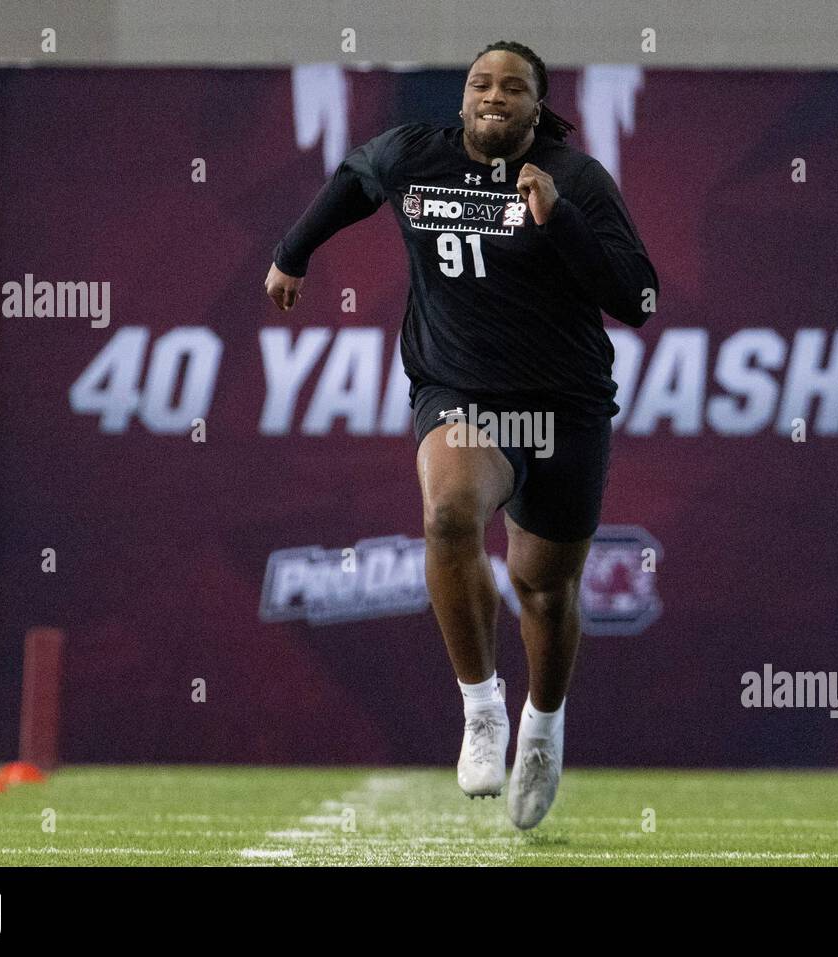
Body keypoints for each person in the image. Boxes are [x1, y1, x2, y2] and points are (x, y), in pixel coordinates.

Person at [265, 40, 657, 829]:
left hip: (561, 407)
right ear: (463, 98)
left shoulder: (573, 179)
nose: (494, 95)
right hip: (462, 393)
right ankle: (483, 708)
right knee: (447, 514)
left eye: (514, 87)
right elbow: (352, 180)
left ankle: (543, 729)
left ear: (538, 109)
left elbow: (638, 297)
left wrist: (562, 221)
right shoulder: (416, 156)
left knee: (544, 590)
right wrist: (292, 254)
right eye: (482, 82)